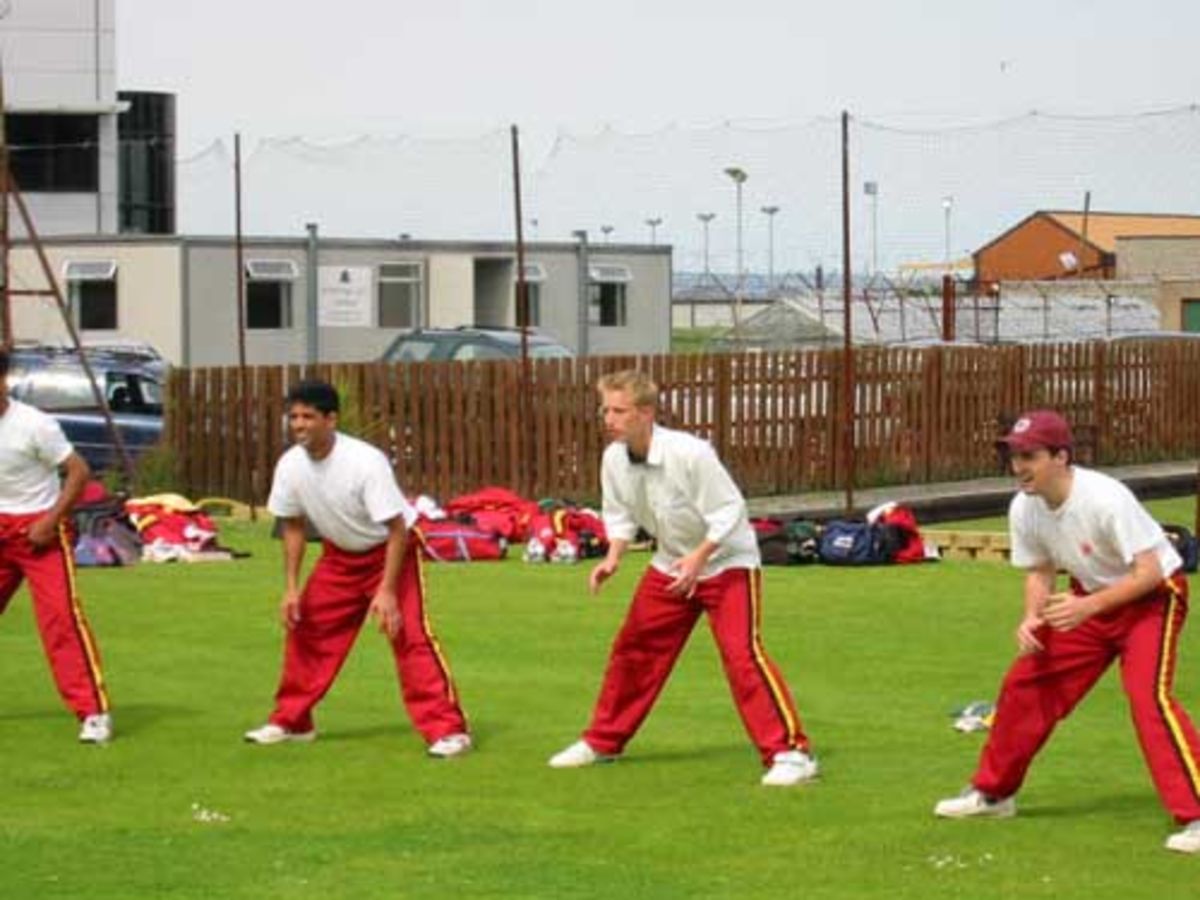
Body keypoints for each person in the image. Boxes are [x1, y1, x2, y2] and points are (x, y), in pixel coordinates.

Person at [934, 409, 1200, 854]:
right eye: (1013, 456)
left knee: (1148, 697)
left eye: (1029, 456)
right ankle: (993, 795)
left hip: (1152, 597)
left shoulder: (1105, 498)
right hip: (1089, 598)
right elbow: (1039, 570)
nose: (1018, 467)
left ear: (1061, 456)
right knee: (1026, 684)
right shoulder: (1024, 507)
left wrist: (1087, 607)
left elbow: (1150, 571)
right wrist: (1032, 618)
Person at [548, 370, 816, 786]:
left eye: (619, 411)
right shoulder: (614, 459)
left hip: (727, 561)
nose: (609, 418)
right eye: (605, 409)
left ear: (646, 413)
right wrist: (613, 557)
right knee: (634, 648)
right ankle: (602, 742)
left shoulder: (691, 453)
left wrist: (699, 557)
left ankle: (790, 753)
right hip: (671, 563)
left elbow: (730, 510)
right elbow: (618, 514)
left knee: (741, 656)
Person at [244, 380, 471, 757]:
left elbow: (398, 528)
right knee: (307, 627)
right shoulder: (290, 465)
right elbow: (294, 525)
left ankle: (448, 731)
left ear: (331, 419)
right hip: (338, 557)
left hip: (389, 553)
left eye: (308, 417)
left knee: (408, 636)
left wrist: (385, 591)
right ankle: (293, 722)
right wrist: (290, 588)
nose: (298, 425)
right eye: (294, 417)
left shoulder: (365, 462)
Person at [0, 348, 111, 743]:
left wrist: (51, 521)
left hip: (40, 534)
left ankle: (93, 713)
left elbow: (79, 472)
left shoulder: (34, 425)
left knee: (60, 621)